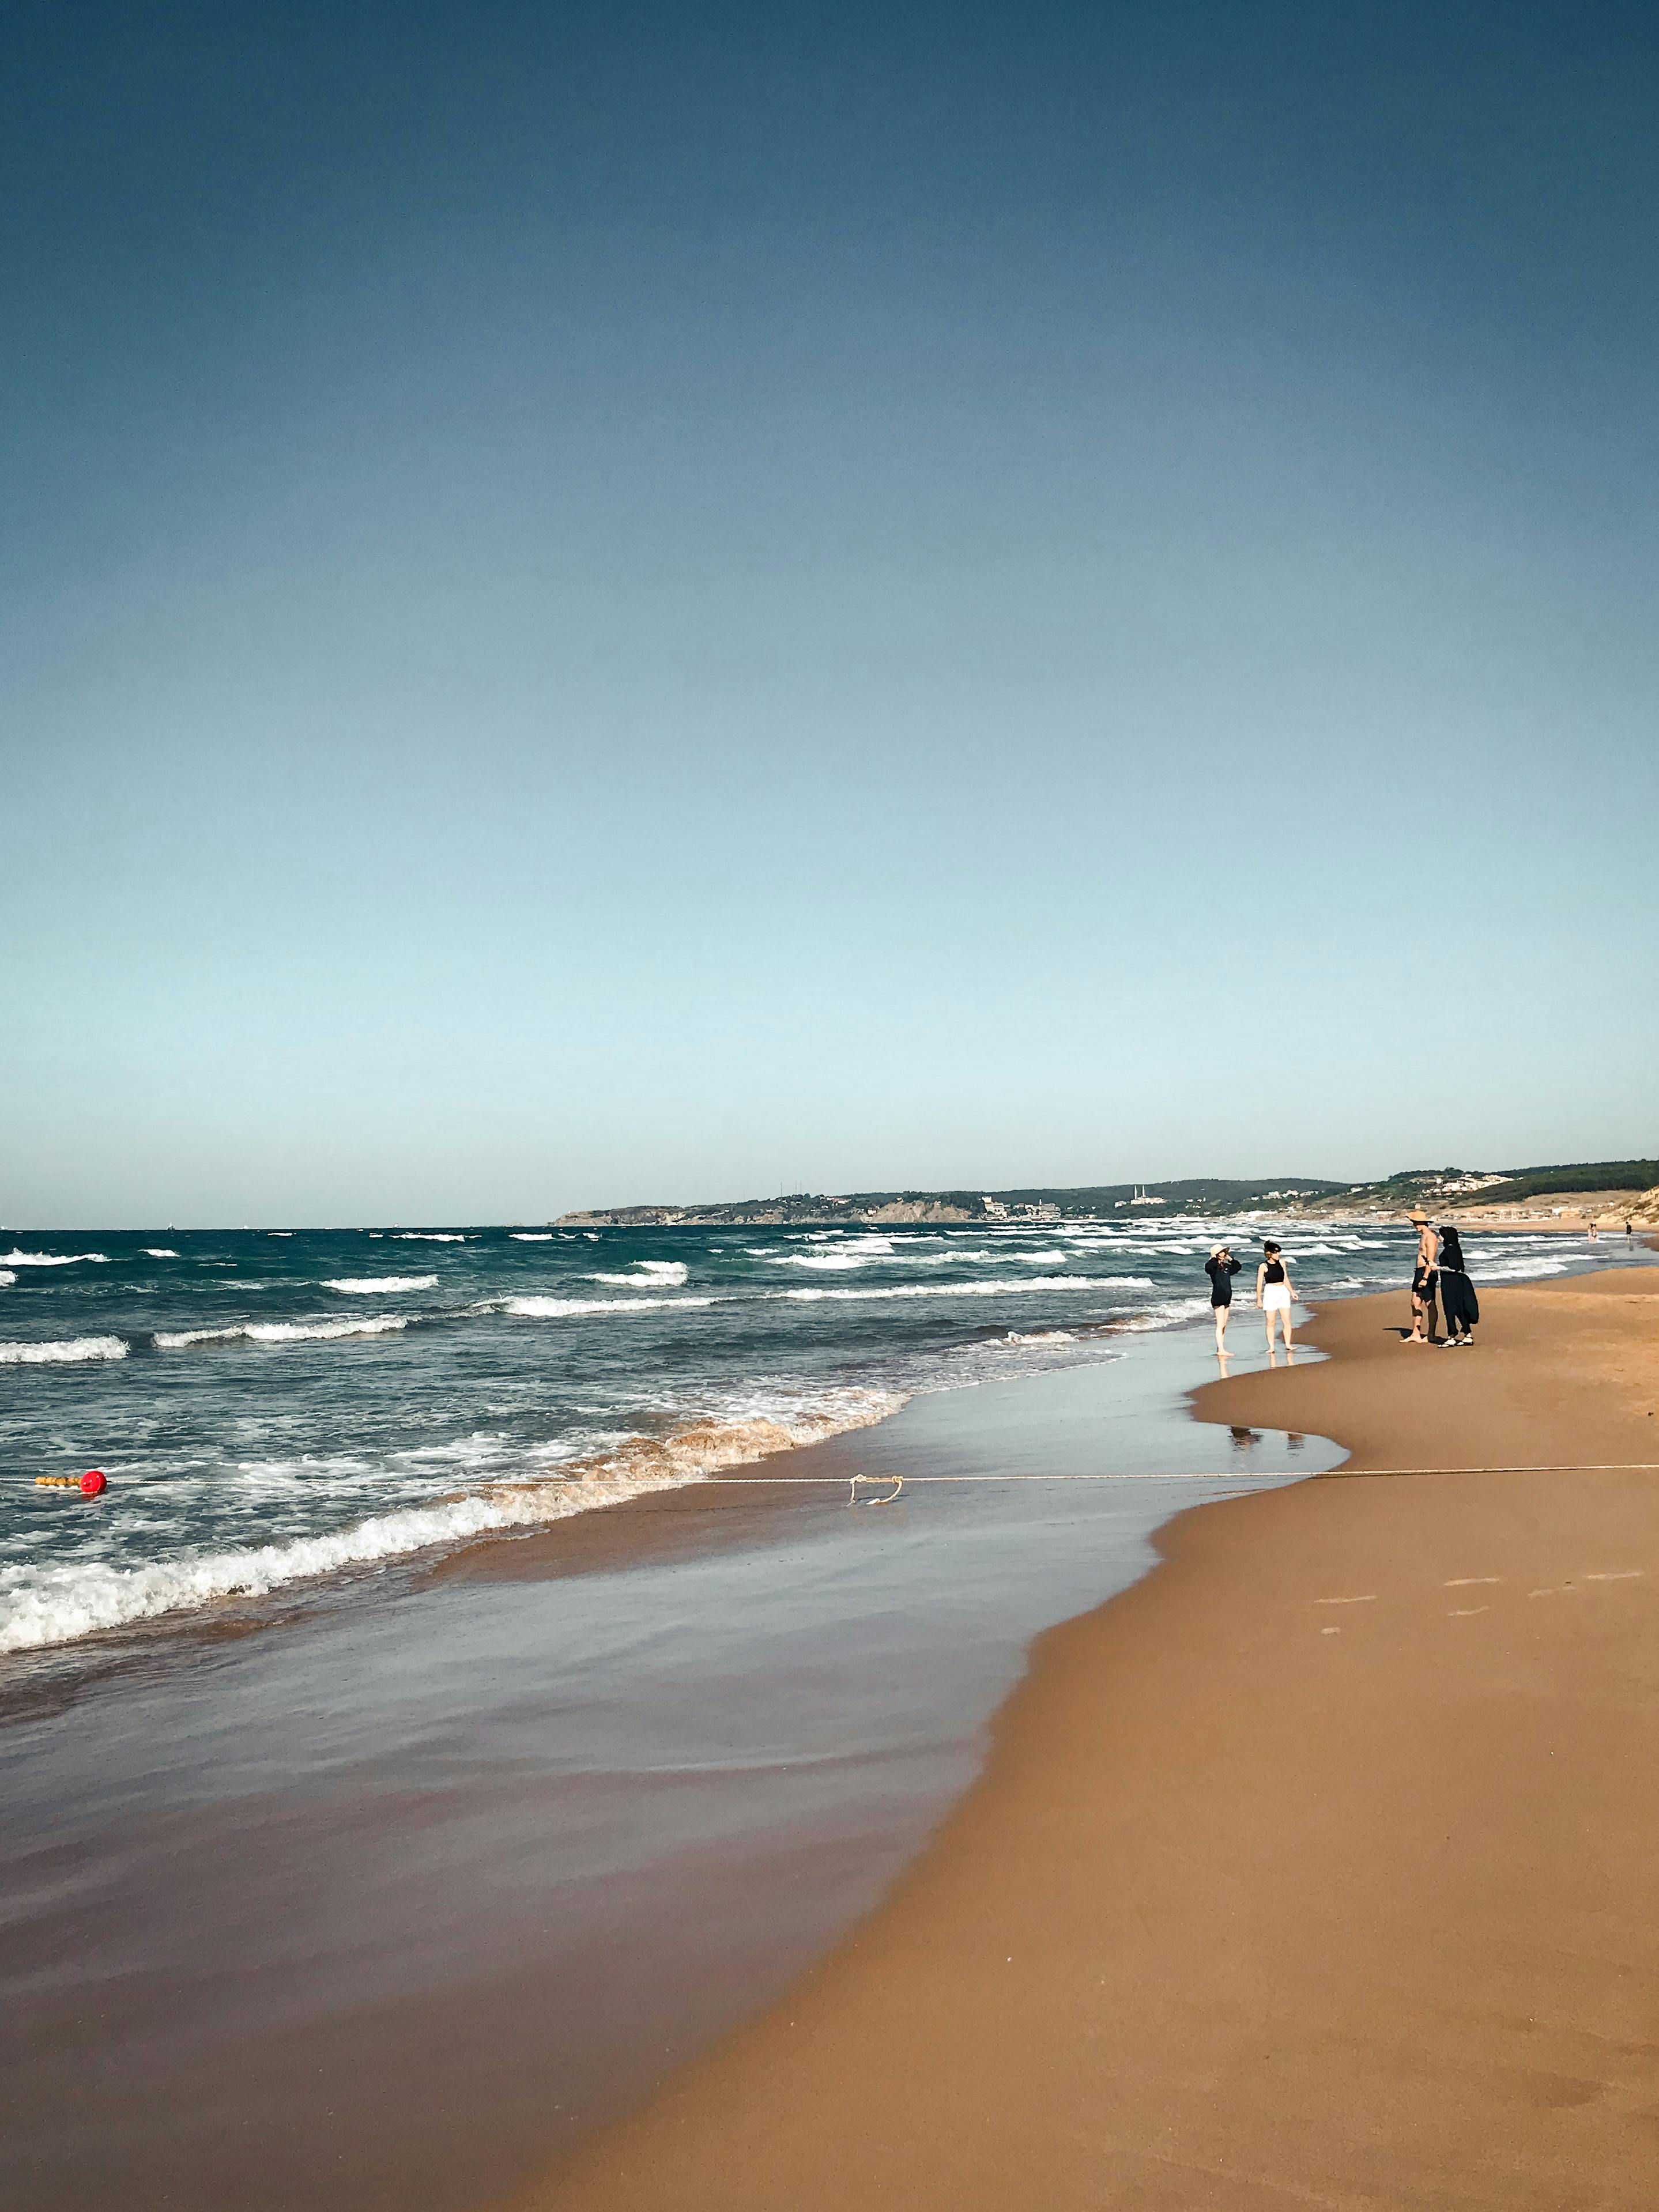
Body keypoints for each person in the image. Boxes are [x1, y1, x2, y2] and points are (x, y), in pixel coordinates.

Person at [1436, 1224, 1479, 1346]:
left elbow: (1453, 1268)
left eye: (1441, 1235)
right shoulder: (1455, 1247)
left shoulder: (1450, 1249)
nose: (1439, 1237)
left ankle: (1451, 1337)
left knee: (1450, 1308)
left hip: (1451, 1283)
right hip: (1456, 1282)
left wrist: (1437, 1267)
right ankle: (1467, 1335)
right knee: (1459, 1308)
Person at [1255, 1240, 1296, 1354]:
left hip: (1283, 1291)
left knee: (1287, 1320)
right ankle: (1271, 1347)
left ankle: (1288, 1345)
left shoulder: (1282, 1263)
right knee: (1270, 1321)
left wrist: (1292, 1292)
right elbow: (1259, 1284)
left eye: (1279, 1252)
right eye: (1276, 1252)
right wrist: (1259, 1299)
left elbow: (1285, 1279)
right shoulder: (1263, 1266)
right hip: (1270, 1292)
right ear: (1269, 1253)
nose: (1278, 1254)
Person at [1404, 1210, 1439, 1344]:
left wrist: (1425, 1277)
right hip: (1419, 1271)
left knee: (1430, 1303)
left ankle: (1431, 1334)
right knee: (1415, 1302)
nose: (1414, 1226)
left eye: (1415, 1223)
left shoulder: (1430, 1237)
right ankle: (1416, 1333)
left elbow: (1430, 1259)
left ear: (1421, 1223)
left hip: (1427, 1272)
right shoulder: (1423, 1236)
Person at [1205, 1243, 1241, 1352]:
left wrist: (1230, 1258)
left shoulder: (1226, 1267)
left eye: (1224, 1252)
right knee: (1220, 1324)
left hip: (1227, 1298)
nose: (1224, 1253)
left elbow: (1237, 1267)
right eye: (1221, 1252)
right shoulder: (1213, 1267)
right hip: (1218, 1297)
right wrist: (1215, 1258)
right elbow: (1208, 1268)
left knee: (1224, 1325)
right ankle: (1221, 1350)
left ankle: (1220, 1347)